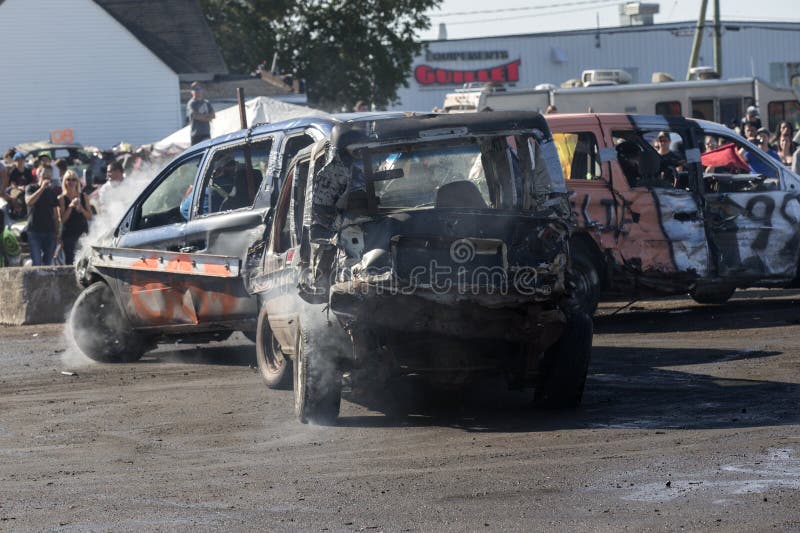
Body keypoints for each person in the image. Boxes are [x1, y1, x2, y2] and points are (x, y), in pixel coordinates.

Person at [24, 165, 59, 265]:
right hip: (34, 231)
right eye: (44, 173)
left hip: (50, 232)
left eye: (49, 174)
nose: (47, 176)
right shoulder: (31, 187)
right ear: (38, 175)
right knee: (37, 263)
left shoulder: (52, 192)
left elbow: (55, 215)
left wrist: (57, 232)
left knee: (48, 263)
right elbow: (29, 201)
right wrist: (42, 188)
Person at [57, 170, 92, 265]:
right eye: (68, 179)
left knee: (85, 260)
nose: (71, 182)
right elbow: (62, 220)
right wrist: (71, 206)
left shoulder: (84, 196)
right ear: (65, 182)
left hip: (82, 232)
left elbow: (89, 217)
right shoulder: (61, 198)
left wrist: (82, 209)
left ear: (77, 182)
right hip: (68, 234)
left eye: (74, 179)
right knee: (70, 260)